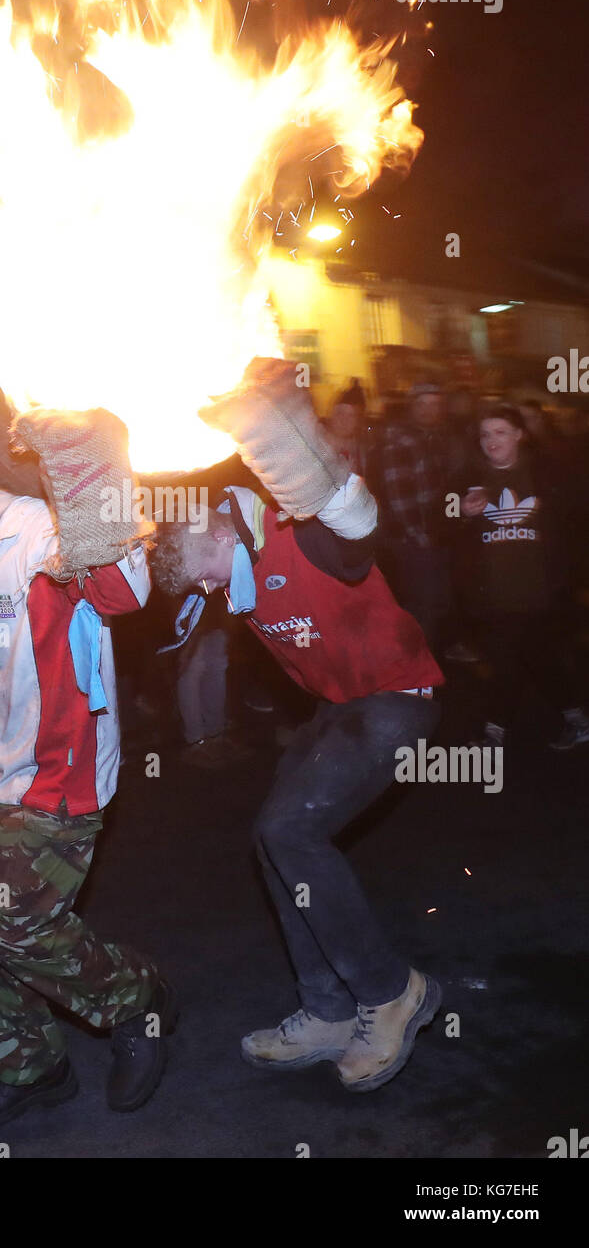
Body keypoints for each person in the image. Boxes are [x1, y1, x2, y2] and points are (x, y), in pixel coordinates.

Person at [0, 454, 175, 1125]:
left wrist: (89, 477)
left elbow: (122, 591)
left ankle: (136, 1000)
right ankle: (32, 1065)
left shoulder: (42, 536)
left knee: (18, 928)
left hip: (58, 774)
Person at [151, 473, 443, 1093]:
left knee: (292, 828)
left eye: (205, 570)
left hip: (395, 699)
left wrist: (308, 462)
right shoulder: (237, 569)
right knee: (272, 841)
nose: (206, 588)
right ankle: (329, 1011)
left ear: (224, 532)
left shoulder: (304, 533)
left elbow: (358, 523)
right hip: (340, 710)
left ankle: (390, 991)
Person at [456, 405, 589, 751]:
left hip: (542, 591)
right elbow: (442, 521)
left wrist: (571, 576)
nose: (491, 441)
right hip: (493, 594)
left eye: (500, 432)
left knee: (508, 659)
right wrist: (460, 511)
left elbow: (575, 522)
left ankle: (492, 731)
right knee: (535, 656)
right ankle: (576, 718)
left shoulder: (547, 475)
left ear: (519, 435)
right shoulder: (469, 476)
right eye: (485, 434)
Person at [374, 381, 460, 652]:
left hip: (436, 536)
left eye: (435, 405)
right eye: (422, 404)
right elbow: (400, 497)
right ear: (412, 407)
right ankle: (416, 670)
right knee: (422, 605)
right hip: (414, 541)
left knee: (437, 601)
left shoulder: (438, 438)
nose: (429, 411)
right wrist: (419, 536)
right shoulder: (401, 440)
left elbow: (445, 490)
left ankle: (425, 661)